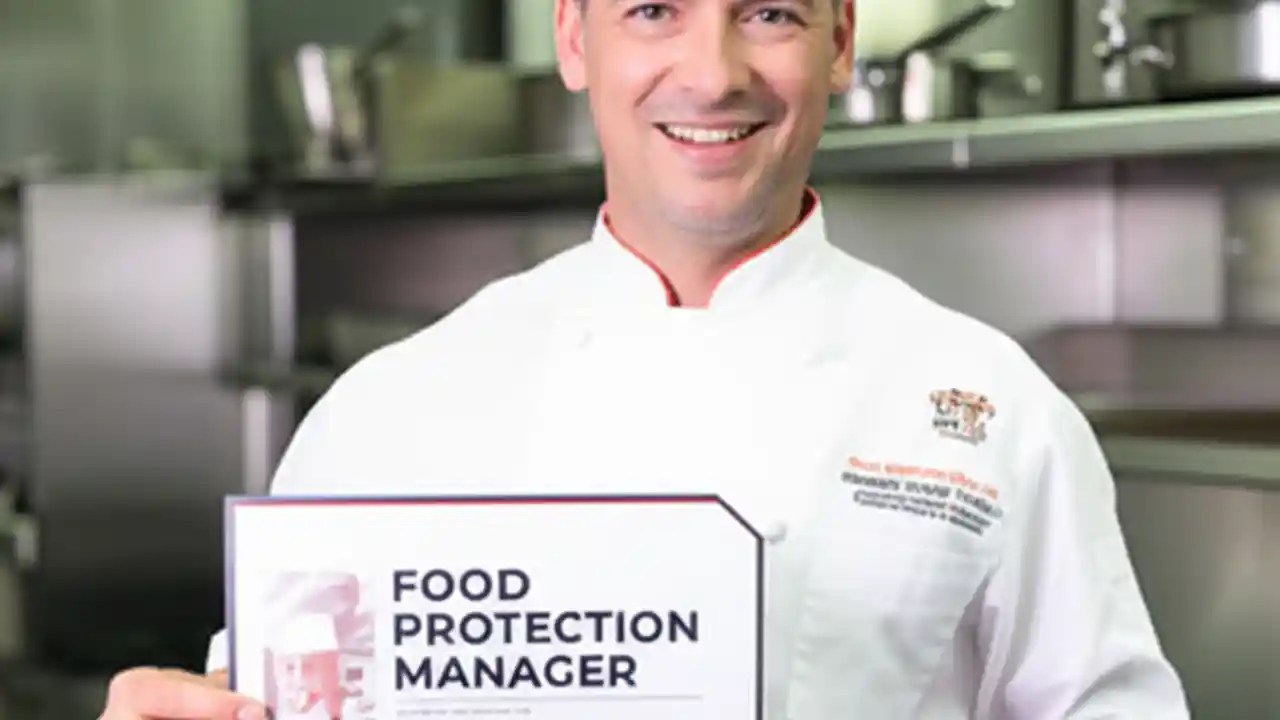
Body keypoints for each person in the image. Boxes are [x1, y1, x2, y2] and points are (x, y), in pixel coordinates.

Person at [98, 0, 1191, 717]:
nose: (710, 75)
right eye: (653, 11)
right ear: (574, 39)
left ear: (841, 40)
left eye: (766, 12)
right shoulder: (386, 412)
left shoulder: (988, 409)